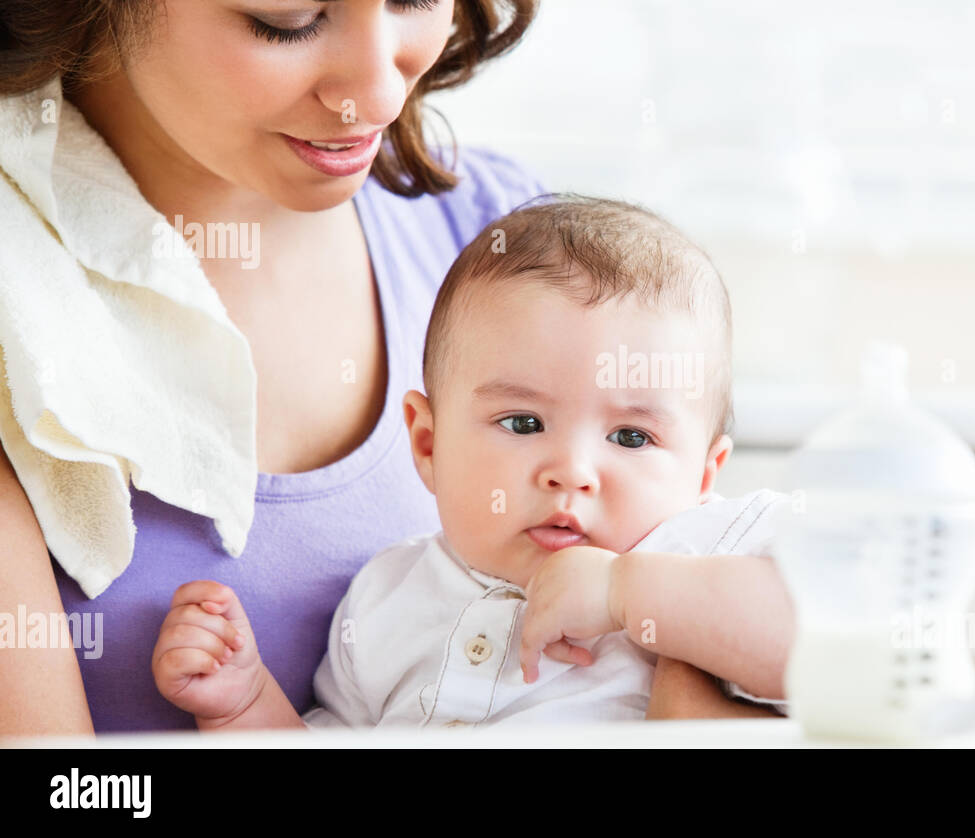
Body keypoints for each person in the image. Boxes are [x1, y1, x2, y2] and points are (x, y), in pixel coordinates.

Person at [0, 0, 790, 735]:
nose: (378, 94)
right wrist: (246, 704)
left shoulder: (515, 250)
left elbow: (849, 651)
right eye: (290, 18)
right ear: (426, 437)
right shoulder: (383, 613)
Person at [151, 196, 794, 728]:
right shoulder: (386, 598)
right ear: (429, 445)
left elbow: (835, 644)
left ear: (705, 474)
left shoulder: (707, 551)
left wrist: (625, 593)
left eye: (630, 438)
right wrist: (244, 705)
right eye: (523, 423)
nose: (570, 471)